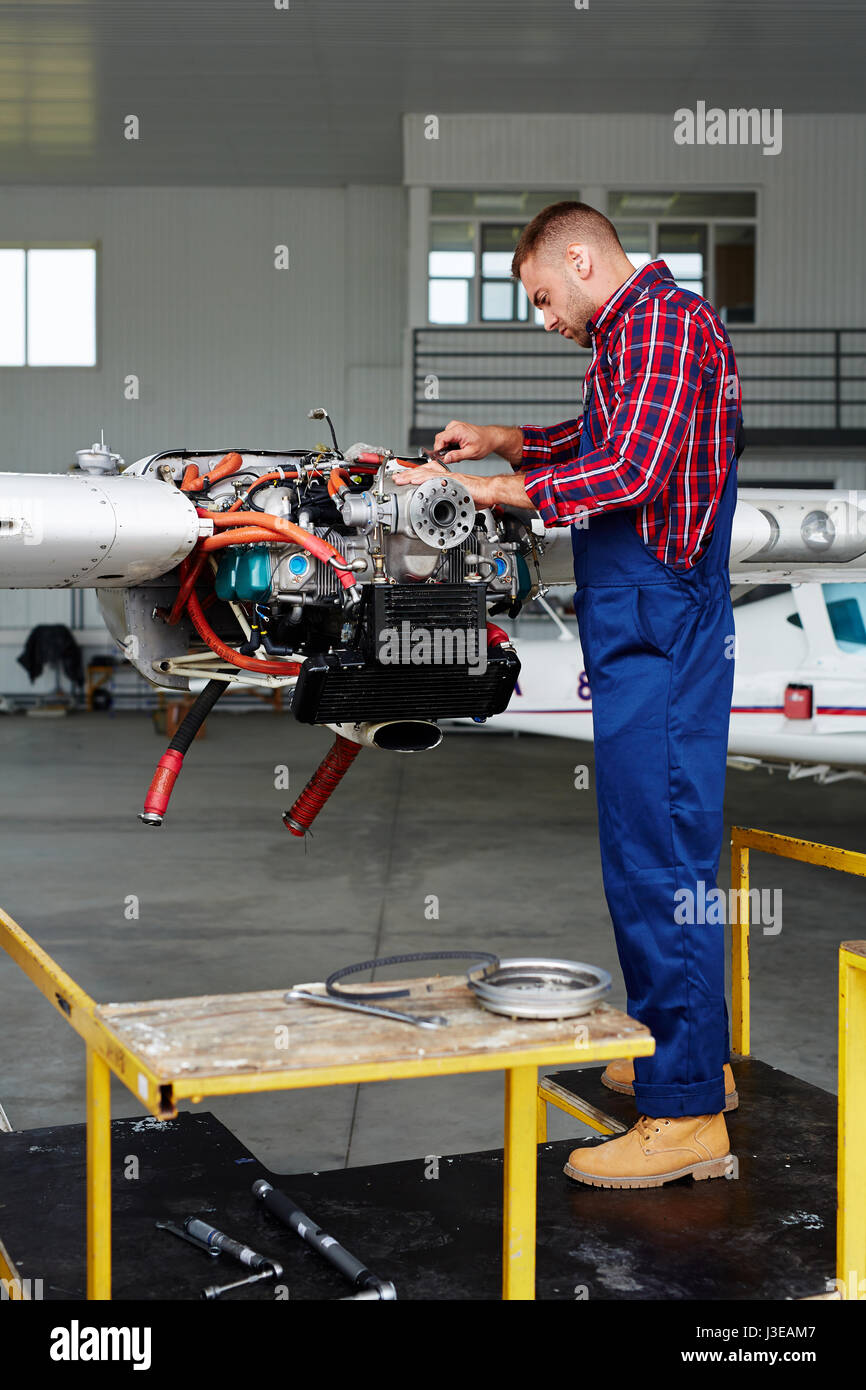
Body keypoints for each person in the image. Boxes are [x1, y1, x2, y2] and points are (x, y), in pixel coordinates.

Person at [394, 201, 743, 1188]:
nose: (545, 317)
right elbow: (605, 440)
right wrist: (506, 439)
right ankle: (689, 1068)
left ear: (581, 258)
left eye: (543, 295)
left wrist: (483, 491)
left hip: (660, 630)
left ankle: (681, 1118)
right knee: (655, 854)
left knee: (653, 858)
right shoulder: (640, 333)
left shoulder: (663, 324)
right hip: (647, 627)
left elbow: (624, 471)